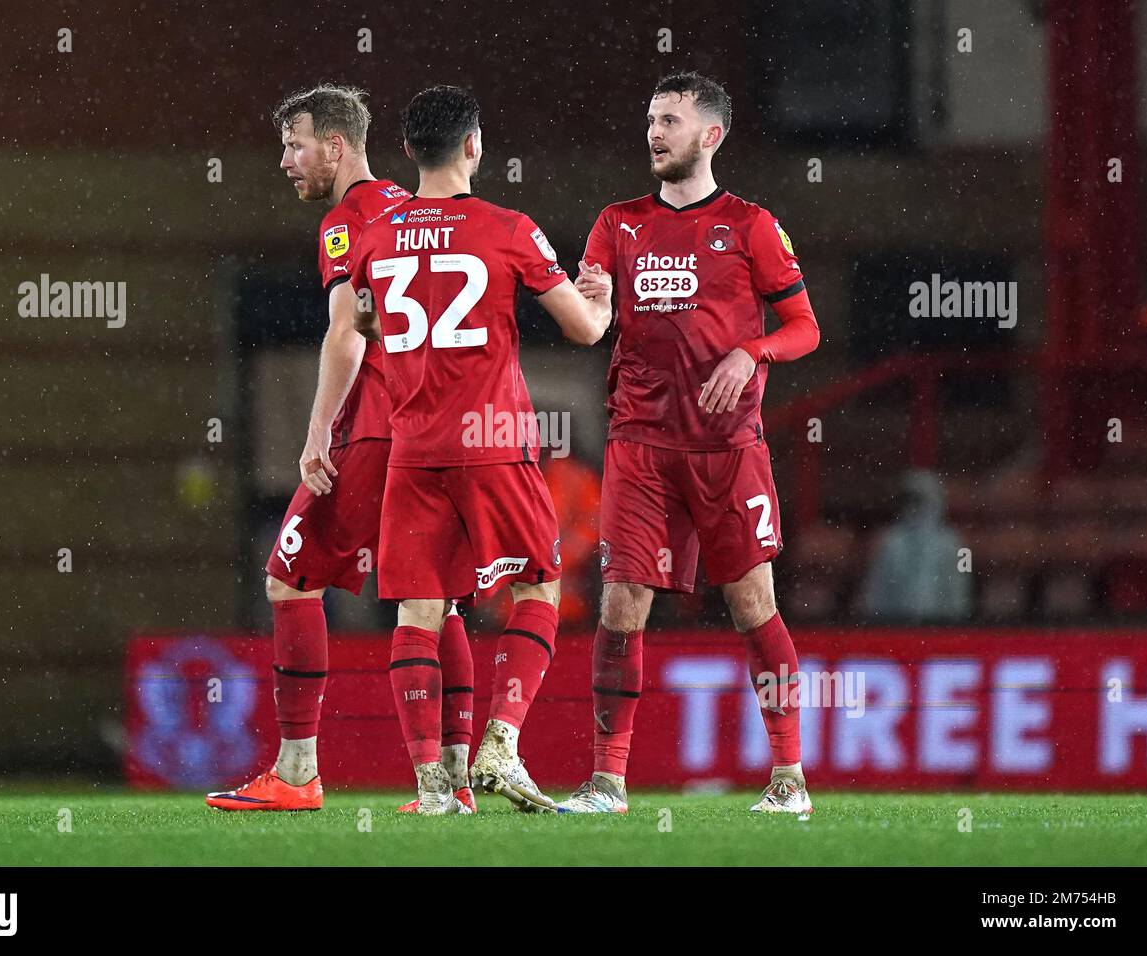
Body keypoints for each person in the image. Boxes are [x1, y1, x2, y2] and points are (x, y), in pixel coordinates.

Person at [206, 84, 475, 813]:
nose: (286, 161)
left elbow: (346, 333)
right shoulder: (413, 207)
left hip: (378, 427)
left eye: (295, 145)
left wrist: (319, 429)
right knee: (436, 600)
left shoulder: (346, 220)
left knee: (289, 580)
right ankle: (454, 778)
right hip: (445, 427)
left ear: (336, 145)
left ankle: (297, 773)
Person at [558, 72, 821, 816]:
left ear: (711, 135)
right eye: (649, 120)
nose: (654, 133)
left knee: (751, 604)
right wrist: (592, 304)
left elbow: (806, 327)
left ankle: (789, 777)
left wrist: (752, 353)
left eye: (669, 120)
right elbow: (596, 317)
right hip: (639, 445)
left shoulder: (750, 225)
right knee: (619, 605)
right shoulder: (618, 222)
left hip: (727, 448)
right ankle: (608, 781)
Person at [346, 85, 612, 813]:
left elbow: (366, 322)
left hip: (413, 447)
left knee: (418, 613)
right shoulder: (509, 229)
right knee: (538, 589)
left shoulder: (375, 233)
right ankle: (501, 741)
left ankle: (432, 783)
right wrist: (603, 297)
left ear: (406, 152)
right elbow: (585, 330)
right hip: (492, 442)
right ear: (475, 146)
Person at [859, 469, 972, 622]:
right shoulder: (889, 542)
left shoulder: (957, 544)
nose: (914, 508)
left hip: (942, 627)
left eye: (920, 501)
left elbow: (961, 587)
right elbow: (876, 590)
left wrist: (957, 624)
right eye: (910, 501)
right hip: (894, 627)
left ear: (936, 500)